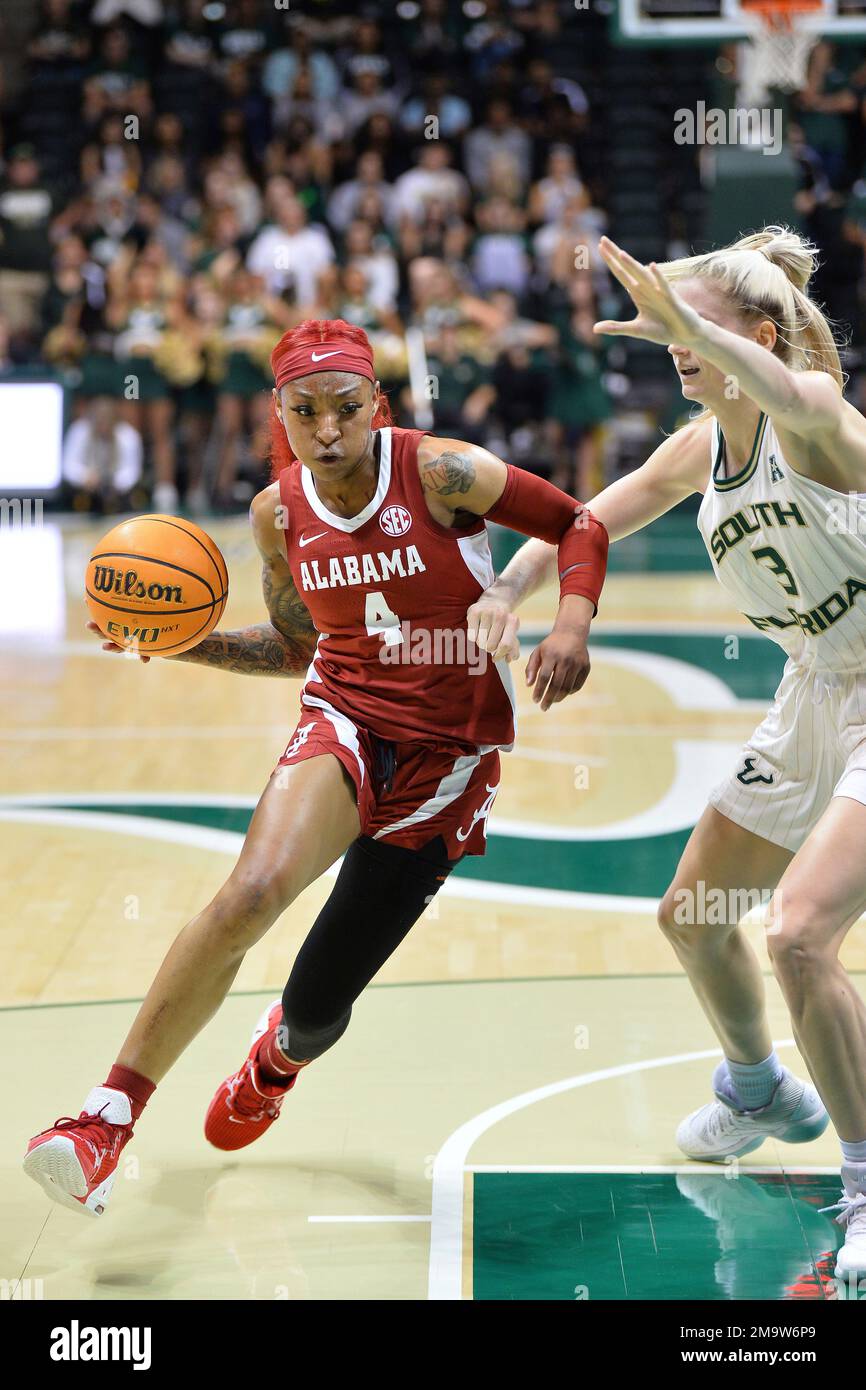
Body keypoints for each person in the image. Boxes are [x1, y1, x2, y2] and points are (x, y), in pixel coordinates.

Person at [23, 318, 608, 1218]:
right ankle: (104, 1121)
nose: (327, 429)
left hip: (449, 759)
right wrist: (182, 643)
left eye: (345, 408)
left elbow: (578, 520)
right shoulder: (278, 514)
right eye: (305, 412)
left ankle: (275, 1061)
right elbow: (299, 646)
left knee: (316, 1006)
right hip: (345, 715)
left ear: (378, 403)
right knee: (250, 892)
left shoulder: (444, 471)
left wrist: (571, 622)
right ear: (280, 414)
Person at [466, 227, 866, 1283]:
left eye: (695, 328)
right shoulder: (698, 447)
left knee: (800, 933)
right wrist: (511, 592)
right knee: (691, 912)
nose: (673, 346)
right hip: (813, 688)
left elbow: (790, 396)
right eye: (669, 329)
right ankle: (756, 1088)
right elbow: (587, 518)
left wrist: (691, 319)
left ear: (762, 336)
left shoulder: (817, 419)